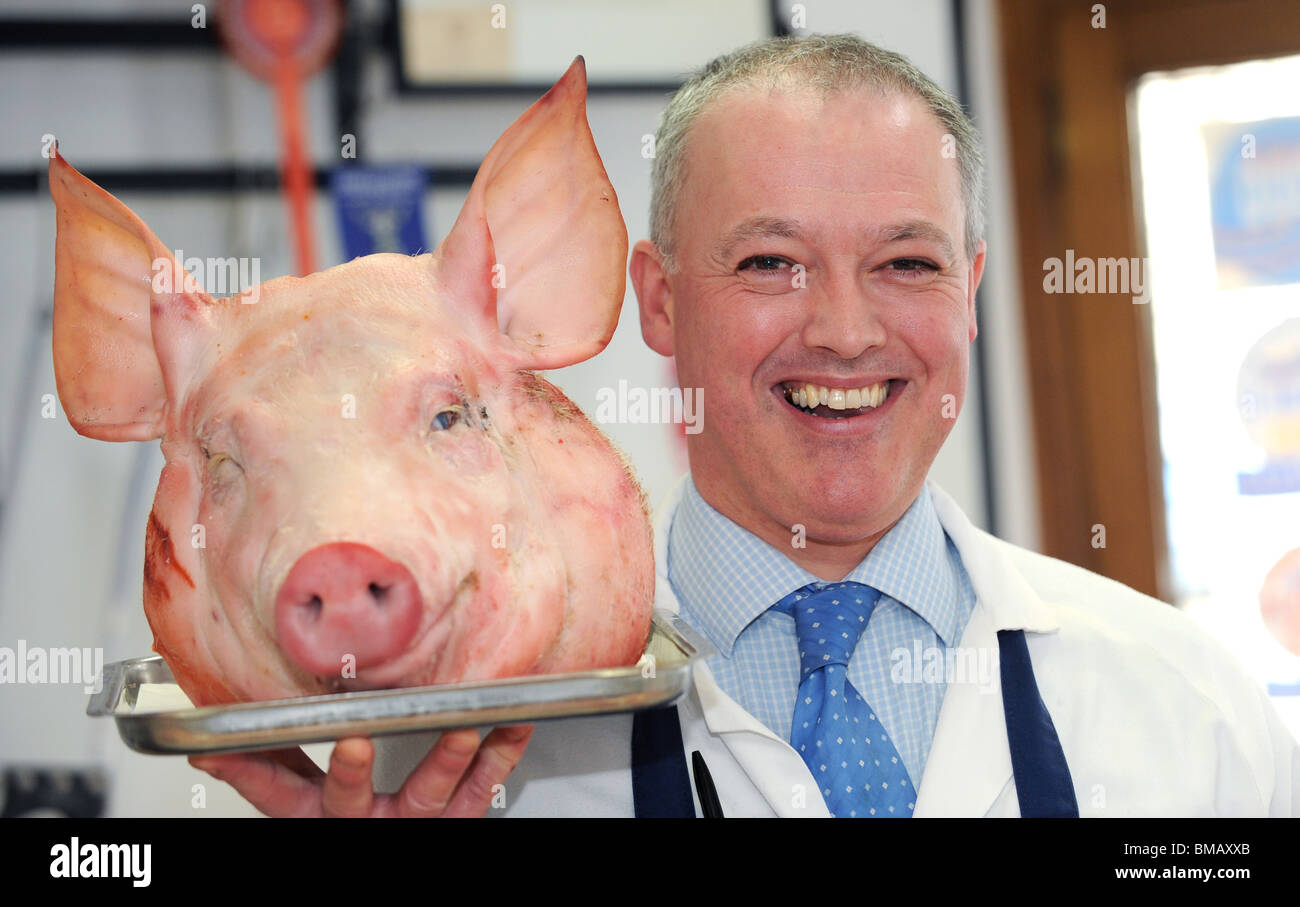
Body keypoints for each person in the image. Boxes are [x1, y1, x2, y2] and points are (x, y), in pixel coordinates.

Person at [195, 33, 1300, 817]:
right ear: (661, 299)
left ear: (967, 291)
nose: (846, 330)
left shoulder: (1190, 708)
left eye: (905, 264)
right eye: (770, 262)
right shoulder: (423, 760)